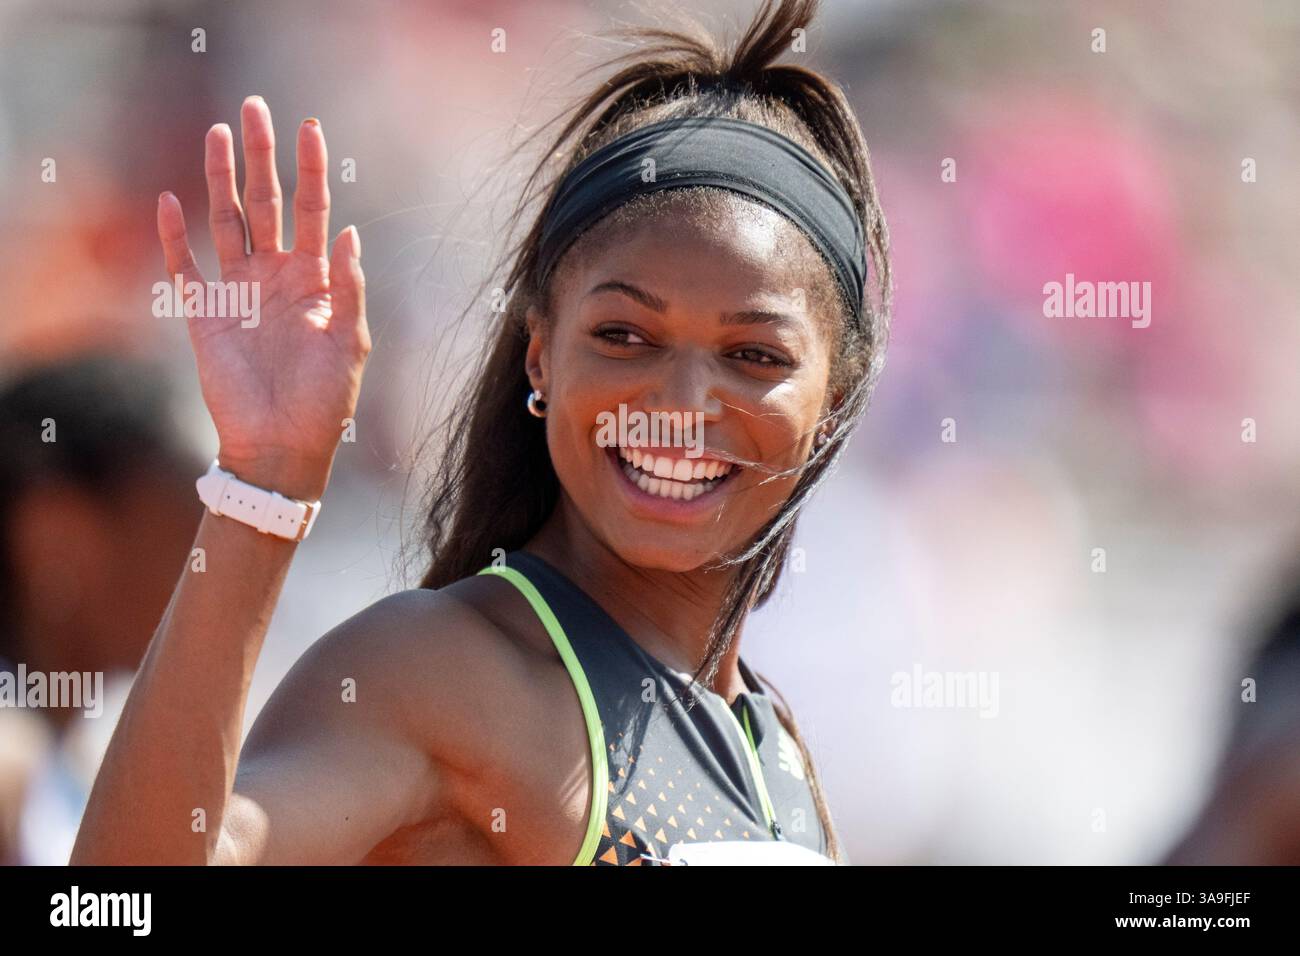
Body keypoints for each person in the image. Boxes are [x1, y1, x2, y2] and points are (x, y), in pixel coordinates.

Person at [71, 0, 892, 866]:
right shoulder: (443, 674)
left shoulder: (774, 750)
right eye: (624, 336)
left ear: (832, 402)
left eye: (755, 355)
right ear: (541, 356)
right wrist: (261, 483)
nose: (683, 403)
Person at [0, 355, 203, 864]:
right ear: (57, 540)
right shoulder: (9, 765)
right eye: (191, 542)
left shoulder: (73, 758)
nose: (220, 583)